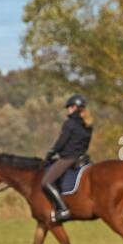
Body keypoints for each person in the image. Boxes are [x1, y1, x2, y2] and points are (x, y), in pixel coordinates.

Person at [41, 94, 93, 222]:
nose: (68, 110)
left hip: (69, 158)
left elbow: (62, 142)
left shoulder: (70, 123)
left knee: (46, 182)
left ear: (75, 107)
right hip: (83, 158)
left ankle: (63, 210)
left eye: (69, 107)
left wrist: (52, 152)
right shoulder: (88, 124)